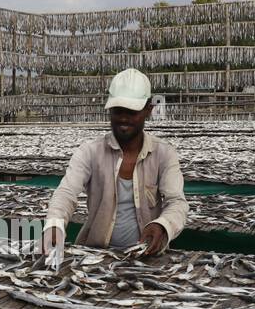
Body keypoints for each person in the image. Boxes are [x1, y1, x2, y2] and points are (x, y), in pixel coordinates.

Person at [42, 67, 187, 261]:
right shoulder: (90, 151)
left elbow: (176, 202)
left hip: (147, 256)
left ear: (148, 110)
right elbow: (67, 192)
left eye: (132, 111)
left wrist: (163, 225)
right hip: (97, 255)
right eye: (118, 111)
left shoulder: (164, 154)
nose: (124, 118)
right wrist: (55, 223)